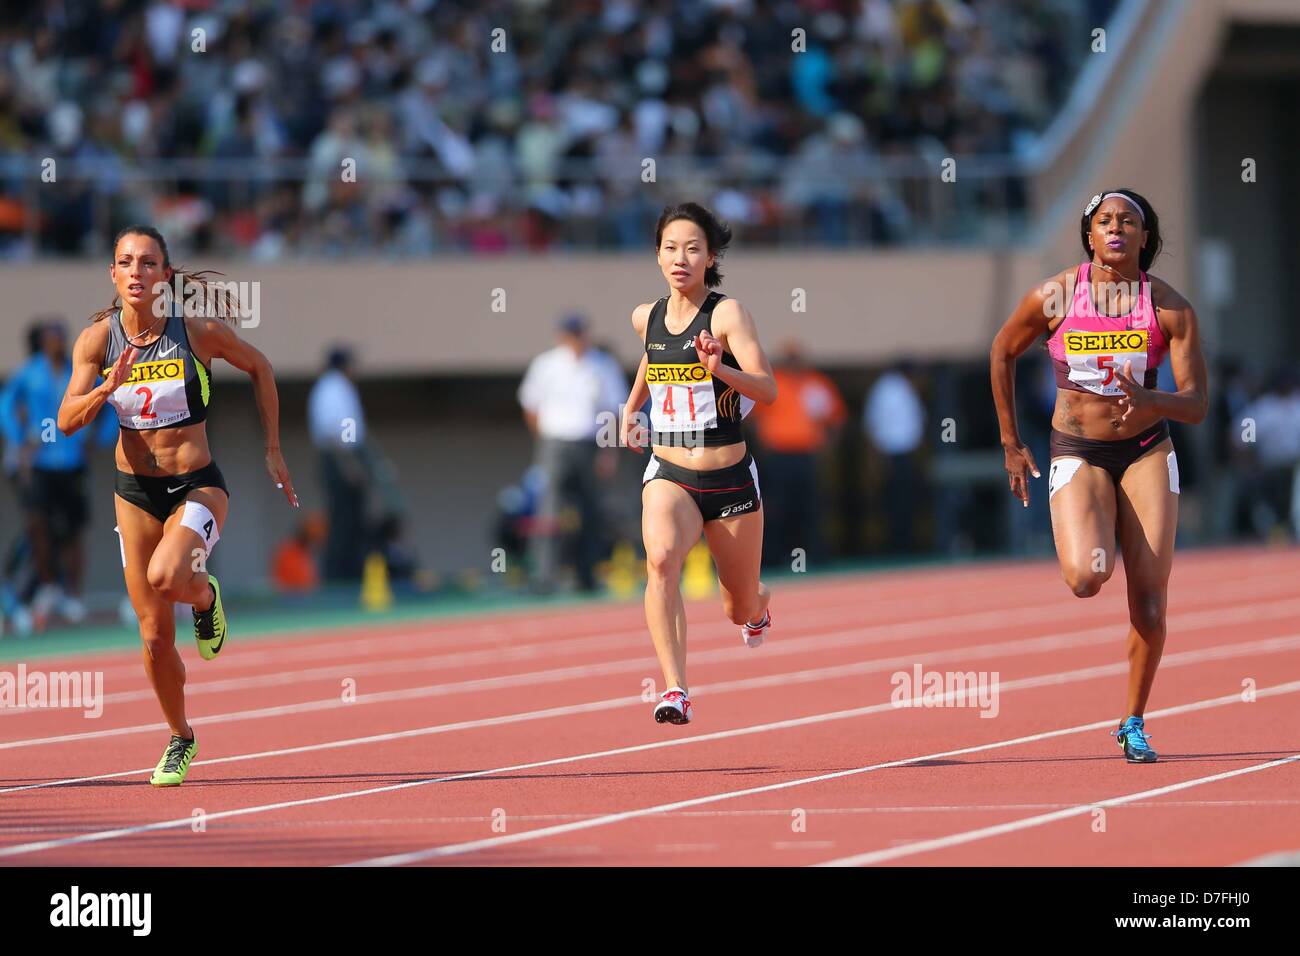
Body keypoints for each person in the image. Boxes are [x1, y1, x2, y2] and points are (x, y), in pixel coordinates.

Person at [58, 225, 297, 786]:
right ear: (112, 275)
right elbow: (66, 421)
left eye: (148, 262)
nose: (136, 271)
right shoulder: (97, 341)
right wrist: (104, 387)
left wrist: (273, 450)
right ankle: (180, 737)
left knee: (169, 578)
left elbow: (260, 366)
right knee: (153, 635)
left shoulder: (196, 332)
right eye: (125, 261)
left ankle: (204, 592)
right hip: (134, 493)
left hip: (197, 484)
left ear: (166, 275)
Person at [990, 189, 1208, 764]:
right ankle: (1099, 522)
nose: (1116, 229)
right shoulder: (1056, 295)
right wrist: (1012, 443)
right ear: (1089, 235)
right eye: (1104, 221)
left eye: (1128, 222)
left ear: (1145, 236)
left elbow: (1197, 403)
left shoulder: (1169, 308)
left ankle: (1133, 720)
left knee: (1152, 604)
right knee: (1087, 577)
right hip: (1080, 448)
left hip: (1144, 452)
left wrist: (1152, 400)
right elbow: (1002, 351)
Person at [620, 202, 777, 725]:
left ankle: (758, 607)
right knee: (661, 559)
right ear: (658, 256)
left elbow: (768, 389)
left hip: (729, 479)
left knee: (739, 607)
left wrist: (719, 368)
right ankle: (675, 689)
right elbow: (652, 354)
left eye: (692, 248)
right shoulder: (646, 315)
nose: (680, 258)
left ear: (711, 257)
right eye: (670, 248)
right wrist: (631, 406)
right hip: (670, 472)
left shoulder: (728, 314)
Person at [0, 319, 117, 629]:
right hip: (41, 462)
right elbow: (6, 405)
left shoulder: (77, 369)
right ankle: (49, 586)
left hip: (72, 461)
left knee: (74, 531)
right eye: (53, 337)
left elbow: (107, 400)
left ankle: (74, 596)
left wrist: (99, 438)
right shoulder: (30, 373)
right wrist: (19, 437)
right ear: (43, 341)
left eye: (62, 337)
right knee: (37, 522)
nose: (59, 342)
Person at [517, 314, 626, 592]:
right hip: (555, 443)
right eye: (570, 334)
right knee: (548, 509)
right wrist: (544, 439)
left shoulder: (602, 365)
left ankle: (586, 576)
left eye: (579, 333)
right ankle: (543, 577)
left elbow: (613, 410)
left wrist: (609, 452)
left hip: (590, 444)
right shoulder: (546, 364)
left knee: (591, 511)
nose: (575, 340)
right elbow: (530, 405)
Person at [749, 339, 846, 568]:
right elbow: (753, 418)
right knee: (777, 508)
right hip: (779, 456)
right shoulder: (775, 382)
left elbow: (837, 418)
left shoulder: (816, 384)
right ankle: (774, 558)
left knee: (811, 507)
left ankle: (817, 556)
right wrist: (763, 445)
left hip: (807, 455)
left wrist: (827, 447)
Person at [308, 347, 369, 582]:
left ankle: (347, 576)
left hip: (340, 456)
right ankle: (340, 580)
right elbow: (336, 432)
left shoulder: (333, 387)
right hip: (339, 457)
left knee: (350, 521)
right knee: (344, 522)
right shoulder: (334, 387)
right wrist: (349, 465)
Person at [863, 359, 925, 553]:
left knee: (905, 500)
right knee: (895, 501)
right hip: (892, 453)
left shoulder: (897, 388)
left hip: (902, 453)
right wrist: (875, 458)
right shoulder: (889, 389)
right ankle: (898, 545)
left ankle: (903, 543)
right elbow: (874, 425)